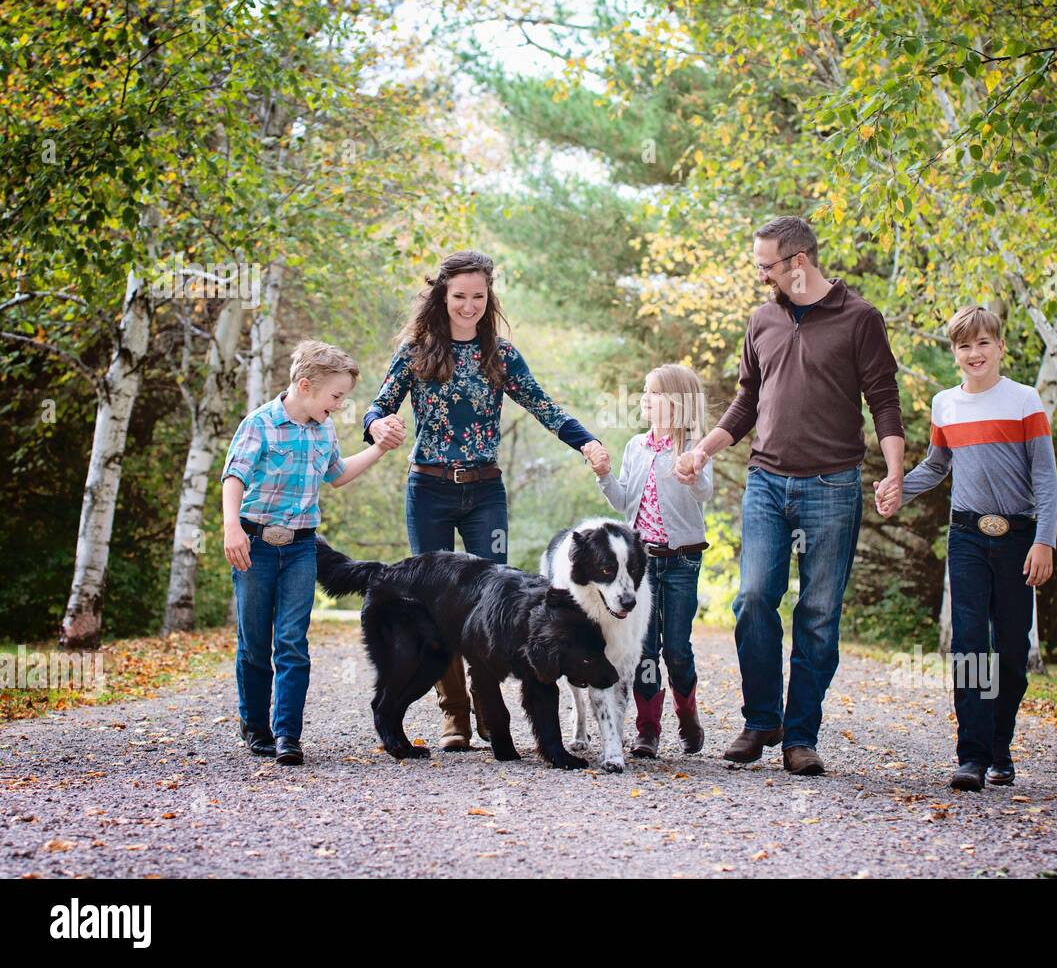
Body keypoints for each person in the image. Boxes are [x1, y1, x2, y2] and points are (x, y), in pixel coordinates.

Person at [674, 216, 905, 775]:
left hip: (833, 485)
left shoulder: (859, 318)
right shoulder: (762, 320)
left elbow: (884, 399)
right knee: (753, 598)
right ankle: (761, 721)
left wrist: (895, 471)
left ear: (798, 261)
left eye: (766, 266)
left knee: (819, 613)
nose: (761, 276)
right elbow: (747, 401)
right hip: (766, 482)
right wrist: (704, 449)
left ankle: (801, 735)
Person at [362, 250, 609, 751]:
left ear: (488, 297)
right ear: (442, 295)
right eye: (459, 297)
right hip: (428, 488)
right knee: (432, 602)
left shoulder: (501, 355)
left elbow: (544, 406)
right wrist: (376, 426)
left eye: (478, 297)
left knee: (489, 604)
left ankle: (491, 719)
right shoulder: (417, 351)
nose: (469, 306)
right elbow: (378, 405)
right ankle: (454, 716)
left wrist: (587, 441)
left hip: (484, 491)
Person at [875, 304, 1057, 791]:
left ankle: (1001, 746)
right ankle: (972, 757)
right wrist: (898, 486)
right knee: (970, 644)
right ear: (954, 352)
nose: (974, 353)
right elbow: (937, 466)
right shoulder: (945, 404)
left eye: (982, 343)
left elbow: (1045, 477)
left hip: (1019, 538)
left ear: (1000, 347)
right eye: (963, 345)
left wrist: (1044, 540)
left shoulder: (1025, 400)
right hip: (968, 537)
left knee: (1013, 653)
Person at [221, 339, 404, 766]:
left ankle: (287, 734)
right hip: (254, 543)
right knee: (254, 642)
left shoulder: (323, 430)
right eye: (336, 396)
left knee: (291, 640)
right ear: (305, 386)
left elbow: (337, 475)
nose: (339, 406)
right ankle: (255, 725)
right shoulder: (260, 424)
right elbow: (234, 477)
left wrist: (379, 448)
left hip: (303, 545)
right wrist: (232, 527)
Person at [593, 363, 713, 758]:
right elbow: (624, 501)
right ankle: (648, 730)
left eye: (653, 393)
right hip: (641, 567)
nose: (643, 399)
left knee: (677, 648)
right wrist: (605, 475)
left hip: (682, 562)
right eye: (644, 391)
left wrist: (692, 473)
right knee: (645, 648)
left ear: (677, 403)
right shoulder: (635, 446)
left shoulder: (696, 446)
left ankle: (687, 712)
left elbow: (704, 493)